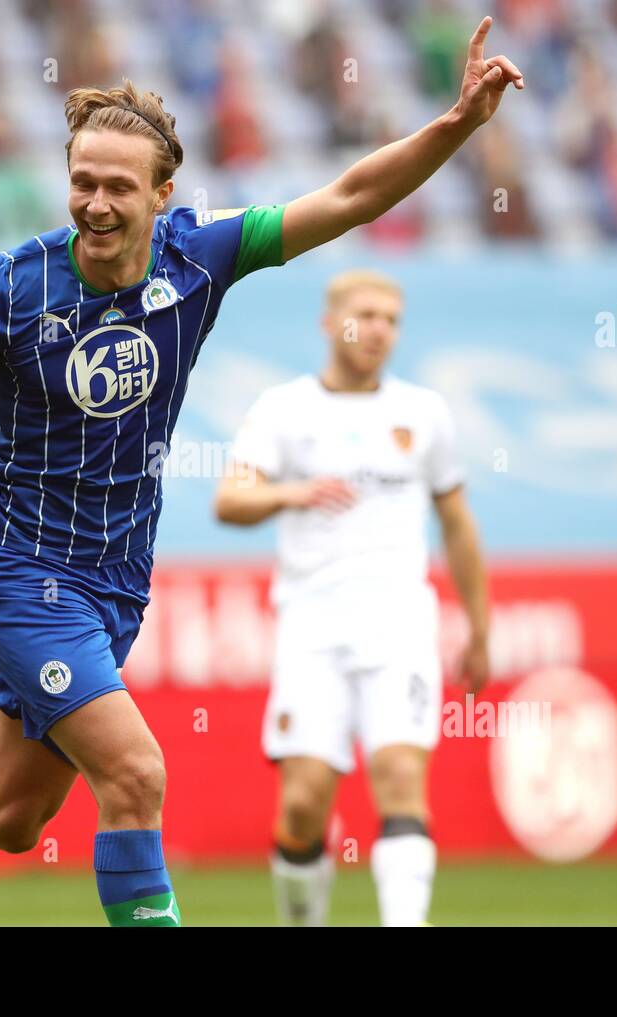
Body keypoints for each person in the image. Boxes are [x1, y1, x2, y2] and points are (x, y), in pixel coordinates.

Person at [0, 20, 523, 926]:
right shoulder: (4, 290)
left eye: (118, 187)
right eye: (81, 181)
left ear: (163, 195)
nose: (93, 203)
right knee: (136, 773)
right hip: (18, 575)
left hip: (115, 587)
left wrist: (458, 126)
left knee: (3, 816)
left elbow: (354, 194)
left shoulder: (201, 258)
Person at [214, 269, 489, 926]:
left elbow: (457, 523)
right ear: (329, 322)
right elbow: (229, 498)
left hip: (400, 623)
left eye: (392, 319)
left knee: (399, 778)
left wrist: (480, 625)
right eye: (365, 315)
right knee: (304, 804)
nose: (379, 330)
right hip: (312, 625)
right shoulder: (284, 409)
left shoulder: (423, 413)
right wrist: (290, 492)